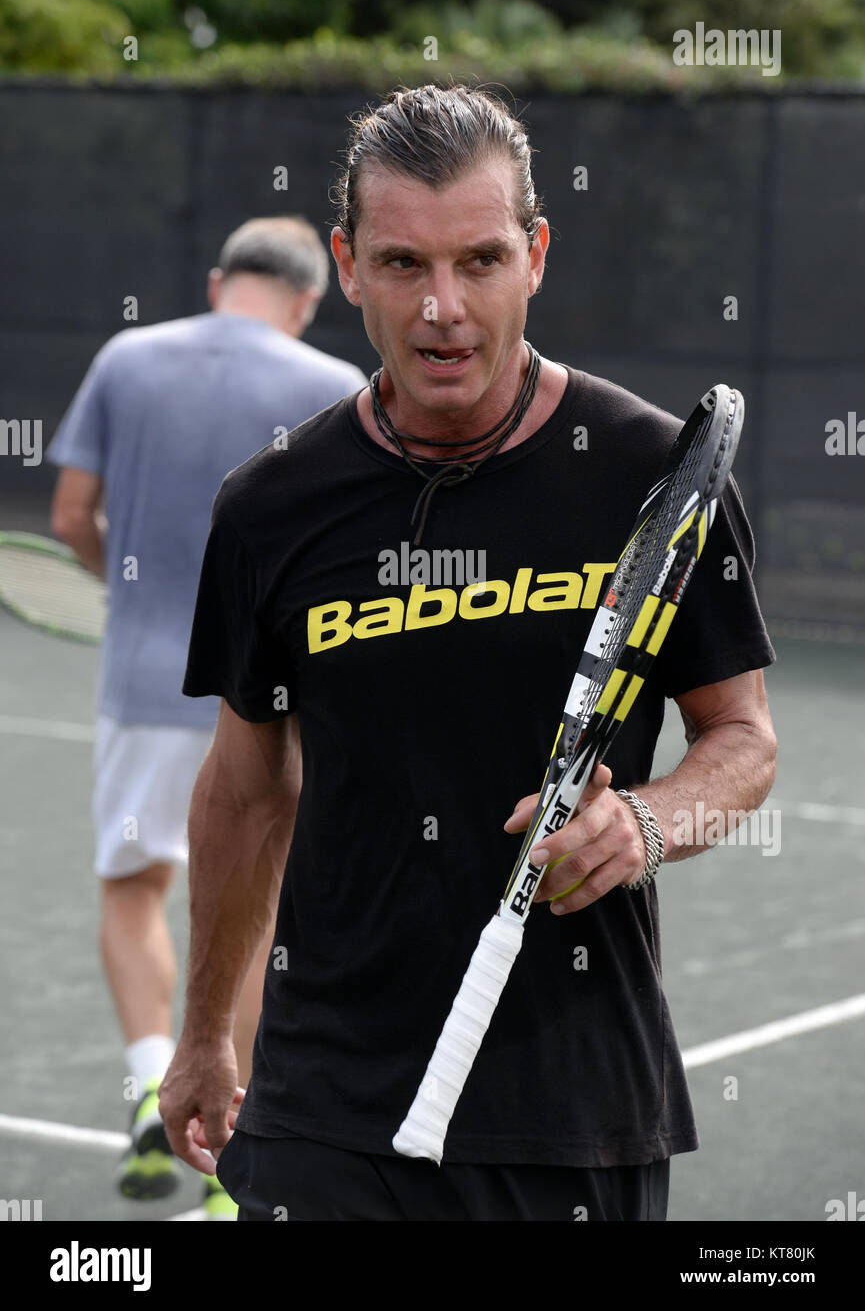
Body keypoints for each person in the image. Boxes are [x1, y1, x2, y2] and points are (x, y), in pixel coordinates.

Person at [160, 86, 777, 1222]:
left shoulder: (651, 473)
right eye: (402, 264)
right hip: (324, 1106)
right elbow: (246, 793)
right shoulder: (271, 507)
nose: (443, 306)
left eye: (480, 260)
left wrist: (646, 822)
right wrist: (202, 1032)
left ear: (534, 253)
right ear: (345, 265)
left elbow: (739, 740)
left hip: (573, 1103)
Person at [46, 216, 366, 1218]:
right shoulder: (333, 387)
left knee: (134, 886)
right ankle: (237, 1156)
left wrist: (133, 600)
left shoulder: (126, 354)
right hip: (277, 696)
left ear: (219, 278)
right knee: (258, 915)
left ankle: (151, 1088)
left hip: (146, 681)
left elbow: (69, 519)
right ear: (311, 297)